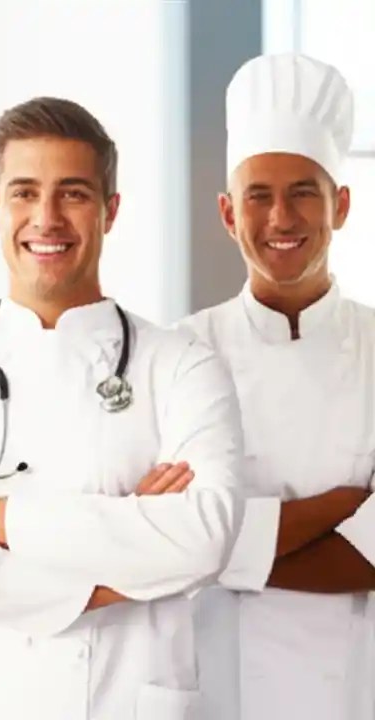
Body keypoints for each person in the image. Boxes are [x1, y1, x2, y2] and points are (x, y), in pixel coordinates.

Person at [0, 97, 245, 719]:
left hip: (123, 695)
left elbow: (204, 539)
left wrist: (0, 523)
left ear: (110, 210)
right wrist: (113, 570)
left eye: (74, 194)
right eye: (25, 192)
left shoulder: (183, 367)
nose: (47, 217)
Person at [180, 53, 375, 720]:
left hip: (353, 689)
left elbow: (370, 562)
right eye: (259, 196)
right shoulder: (175, 355)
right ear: (228, 213)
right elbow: (155, 537)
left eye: (303, 192)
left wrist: (211, 551)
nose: (281, 218)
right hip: (215, 682)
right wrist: (342, 507)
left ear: (340, 206)